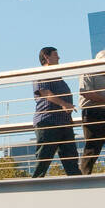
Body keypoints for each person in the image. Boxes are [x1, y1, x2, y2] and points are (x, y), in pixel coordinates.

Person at [32, 47, 81, 178]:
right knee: (44, 159)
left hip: (64, 123)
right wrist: (64, 104)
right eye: (56, 55)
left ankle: (80, 187)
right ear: (46, 57)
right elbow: (45, 92)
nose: (59, 58)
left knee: (71, 160)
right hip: (49, 122)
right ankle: (34, 188)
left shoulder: (58, 77)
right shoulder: (41, 74)